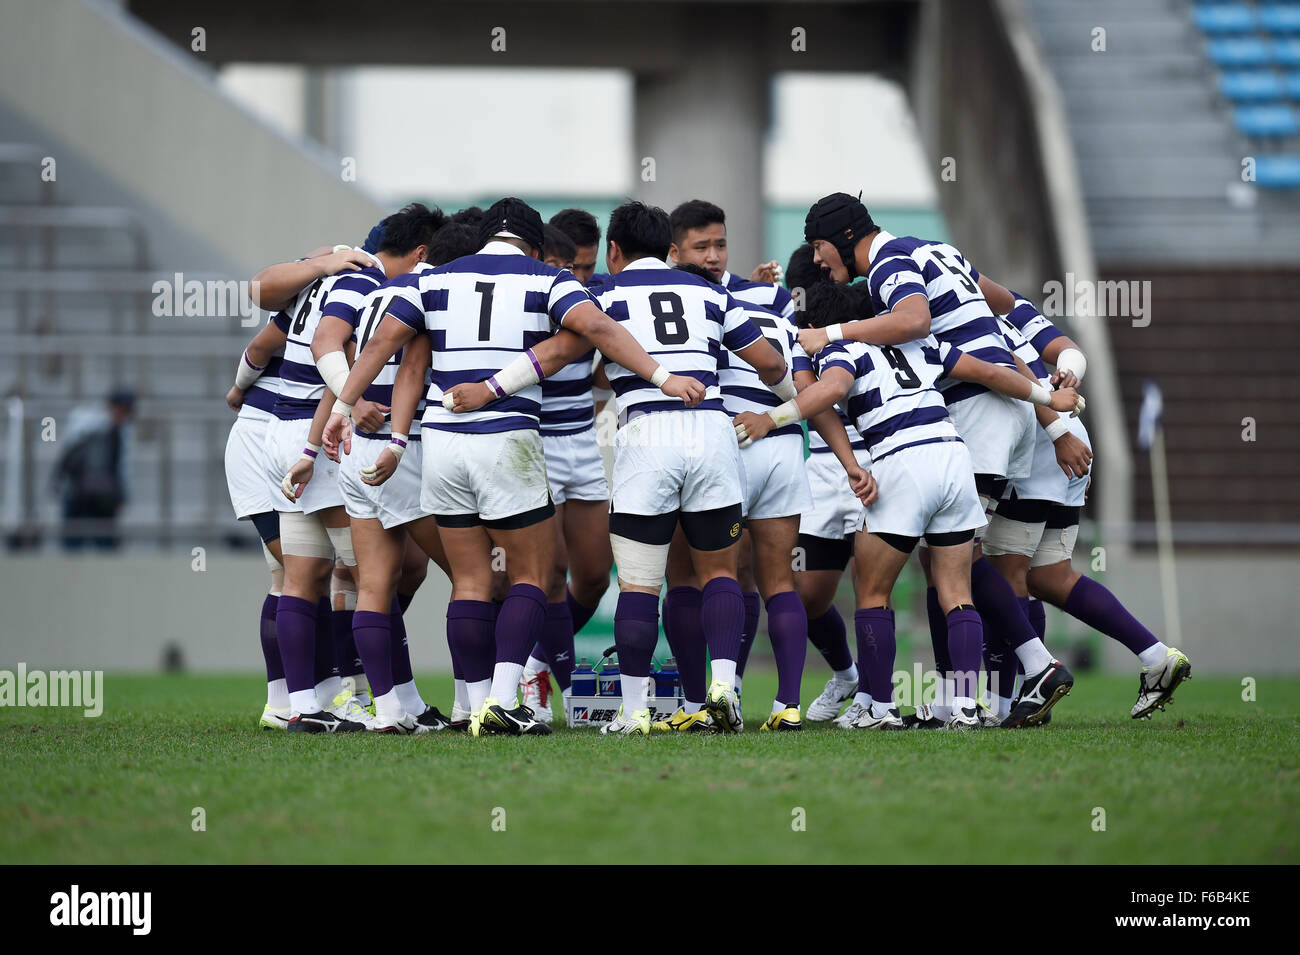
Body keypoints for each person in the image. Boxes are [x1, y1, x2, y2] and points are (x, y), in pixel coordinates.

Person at [323, 197, 705, 737]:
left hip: (443, 442)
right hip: (507, 438)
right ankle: (504, 697)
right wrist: (663, 377)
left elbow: (387, 346)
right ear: (532, 245)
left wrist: (341, 408)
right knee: (534, 575)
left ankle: (474, 705)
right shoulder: (545, 279)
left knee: (471, 580)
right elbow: (600, 330)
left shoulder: (430, 281)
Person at [734, 282, 1084, 729]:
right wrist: (1048, 399)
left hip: (903, 460)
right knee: (956, 591)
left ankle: (877, 707)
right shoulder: (923, 342)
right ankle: (962, 707)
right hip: (955, 458)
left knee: (873, 590)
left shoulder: (842, 349)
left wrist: (772, 417)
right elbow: (993, 372)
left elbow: (833, 389)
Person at [798, 192, 1076, 729]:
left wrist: (830, 333)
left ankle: (1029, 667)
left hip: (975, 415)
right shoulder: (936, 250)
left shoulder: (888, 261)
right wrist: (1050, 399)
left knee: (957, 565)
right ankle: (966, 701)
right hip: (1001, 405)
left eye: (818, 246)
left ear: (845, 238)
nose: (816, 259)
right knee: (955, 562)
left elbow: (914, 320)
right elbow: (1006, 305)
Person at [583, 201, 790, 735]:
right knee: (720, 572)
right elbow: (770, 364)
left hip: (646, 432)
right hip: (711, 432)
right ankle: (724, 691)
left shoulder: (604, 291)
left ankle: (633, 714)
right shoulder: (713, 292)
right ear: (669, 248)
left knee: (639, 585)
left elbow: (586, 365)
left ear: (614, 251)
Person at [980, 293, 1191, 721]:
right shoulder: (1013, 306)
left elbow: (1009, 370)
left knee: (1003, 575)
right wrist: (1066, 390)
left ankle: (1007, 701)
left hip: (1040, 442)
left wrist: (1056, 430)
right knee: (1050, 576)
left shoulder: (956, 307)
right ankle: (1155, 656)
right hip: (1070, 439)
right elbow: (1072, 354)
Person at [57, 389, 134, 550]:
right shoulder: (88, 422)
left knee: (104, 547)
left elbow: (121, 468)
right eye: (122, 409)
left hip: (101, 498)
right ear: (112, 406)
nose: (124, 414)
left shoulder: (120, 431)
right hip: (79, 495)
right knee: (74, 547)